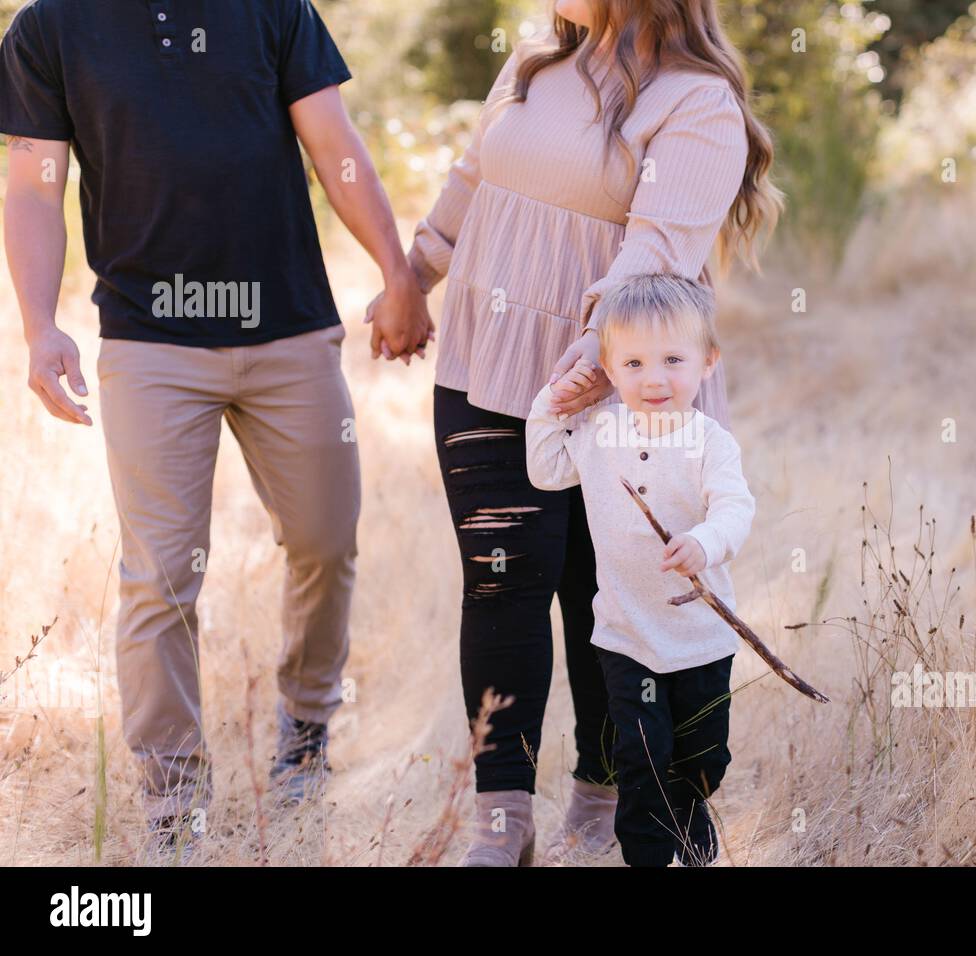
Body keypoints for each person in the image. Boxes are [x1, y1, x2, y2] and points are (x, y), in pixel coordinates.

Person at [0, 0, 432, 858]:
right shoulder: (48, 29)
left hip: (290, 329)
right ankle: (174, 804)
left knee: (324, 539)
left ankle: (305, 731)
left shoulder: (271, 7)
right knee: (160, 577)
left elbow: (335, 146)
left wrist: (396, 271)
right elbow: (32, 185)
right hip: (150, 341)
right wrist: (39, 324)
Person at [369, 0, 781, 866]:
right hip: (486, 364)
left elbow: (656, 254)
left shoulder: (695, 102)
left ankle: (603, 796)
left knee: (610, 593)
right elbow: (470, 179)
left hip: (624, 388)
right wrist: (411, 277)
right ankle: (501, 821)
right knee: (501, 581)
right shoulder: (532, 65)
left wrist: (584, 368)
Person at [525, 272, 755, 866]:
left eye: (673, 359)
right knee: (642, 756)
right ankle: (649, 855)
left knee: (702, 757)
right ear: (609, 367)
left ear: (709, 361)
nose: (654, 379)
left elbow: (735, 508)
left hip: (702, 639)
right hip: (627, 637)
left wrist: (705, 542)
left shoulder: (711, 441)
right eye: (633, 364)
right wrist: (551, 400)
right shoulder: (601, 431)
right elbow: (546, 469)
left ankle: (692, 818)